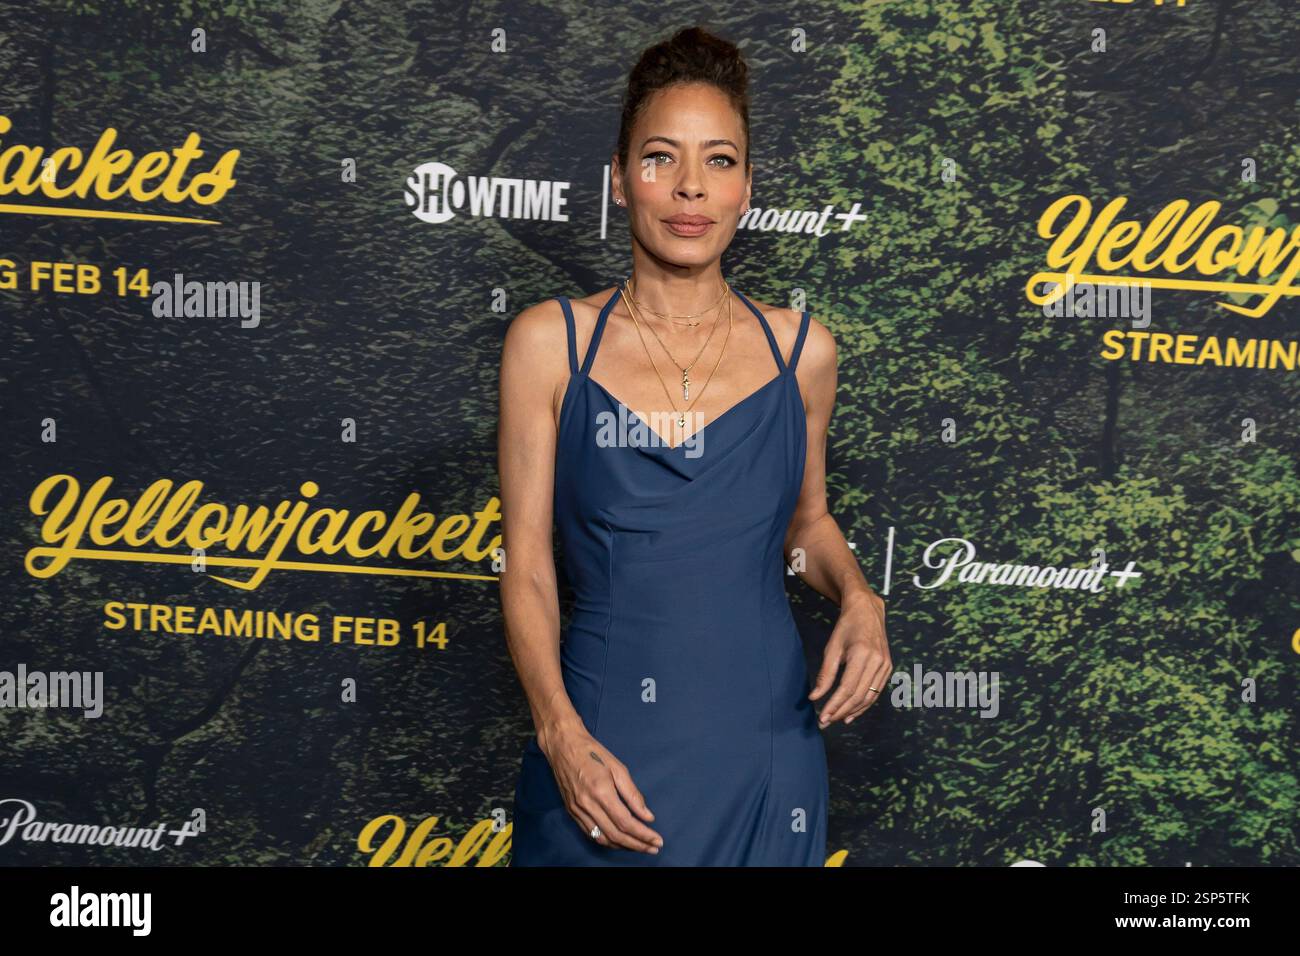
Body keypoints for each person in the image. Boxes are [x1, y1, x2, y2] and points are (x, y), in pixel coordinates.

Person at [497, 26, 889, 866]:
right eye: (660, 158)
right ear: (619, 177)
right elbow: (526, 566)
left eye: (718, 161)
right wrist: (561, 737)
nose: (689, 189)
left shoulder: (803, 352)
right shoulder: (549, 344)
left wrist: (860, 598)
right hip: (604, 762)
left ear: (746, 186)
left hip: (763, 755)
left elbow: (807, 524)